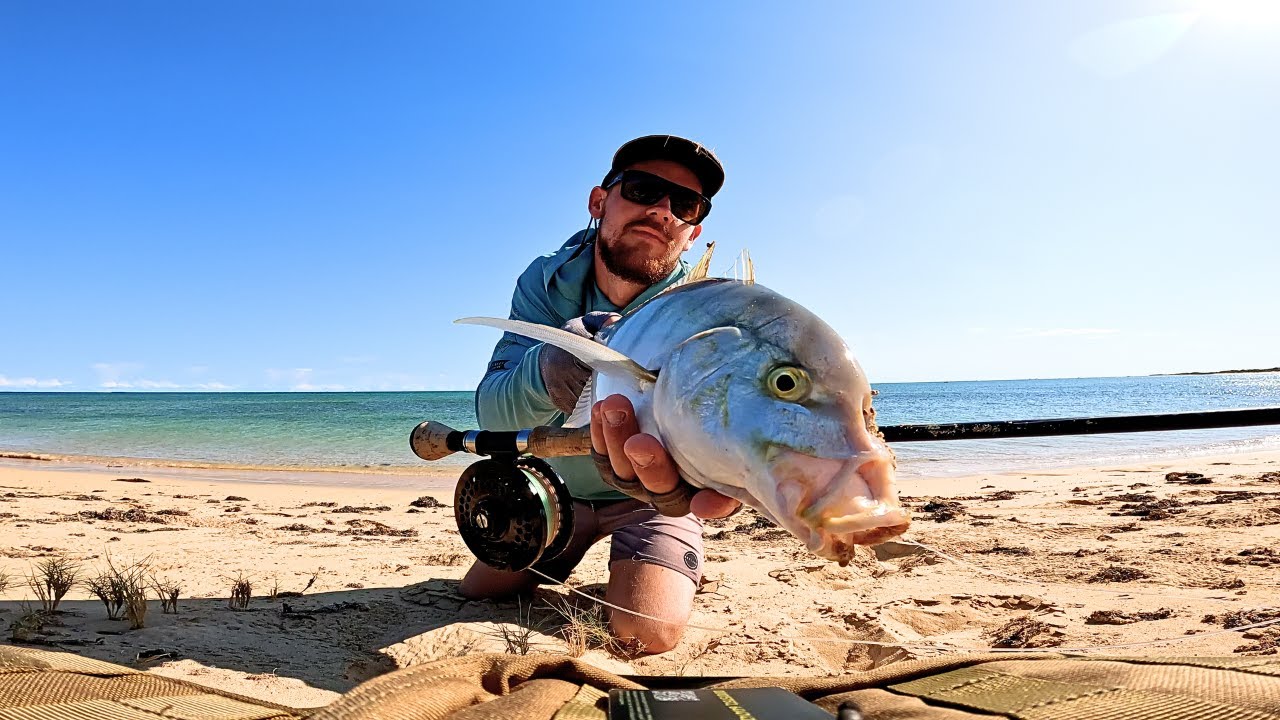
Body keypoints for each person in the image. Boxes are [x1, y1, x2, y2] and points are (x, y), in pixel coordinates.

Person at [462, 135, 741, 653]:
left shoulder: (707, 311)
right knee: (480, 593)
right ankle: (591, 555)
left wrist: (730, 475)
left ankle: (664, 562)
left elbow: (728, 423)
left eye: (684, 205)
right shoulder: (545, 284)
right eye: (642, 189)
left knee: (646, 633)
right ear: (599, 201)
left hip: (650, 499)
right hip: (557, 489)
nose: (662, 211)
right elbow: (493, 408)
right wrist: (550, 365)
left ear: (693, 231)